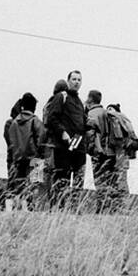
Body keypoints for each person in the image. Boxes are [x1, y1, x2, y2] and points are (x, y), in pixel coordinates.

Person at [44, 70, 87, 206]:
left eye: (79, 80)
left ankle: (74, 209)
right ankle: (58, 209)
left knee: (79, 181)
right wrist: (62, 133)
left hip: (79, 147)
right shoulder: (61, 97)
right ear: (68, 81)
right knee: (62, 180)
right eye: (74, 79)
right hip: (63, 147)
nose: (76, 82)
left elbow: (82, 123)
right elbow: (52, 118)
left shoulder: (80, 102)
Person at [4, 92, 45, 210]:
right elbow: (41, 138)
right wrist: (39, 155)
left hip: (18, 159)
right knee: (35, 187)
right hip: (36, 160)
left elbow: (10, 140)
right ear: (34, 107)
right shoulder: (36, 121)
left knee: (18, 187)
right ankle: (31, 211)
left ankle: (18, 210)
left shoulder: (14, 122)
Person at [103, 102, 137, 209]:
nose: (108, 110)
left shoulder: (118, 120)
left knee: (120, 182)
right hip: (121, 156)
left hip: (120, 156)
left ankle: (124, 206)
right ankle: (120, 206)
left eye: (110, 109)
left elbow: (116, 140)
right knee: (118, 181)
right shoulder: (125, 122)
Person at [85, 89, 115, 208]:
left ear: (90, 99)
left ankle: (102, 206)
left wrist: (91, 151)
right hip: (111, 152)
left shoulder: (92, 114)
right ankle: (111, 206)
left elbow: (90, 134)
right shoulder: (106, 112)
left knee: (99, 180)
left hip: (99, 152)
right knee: (109, 180)